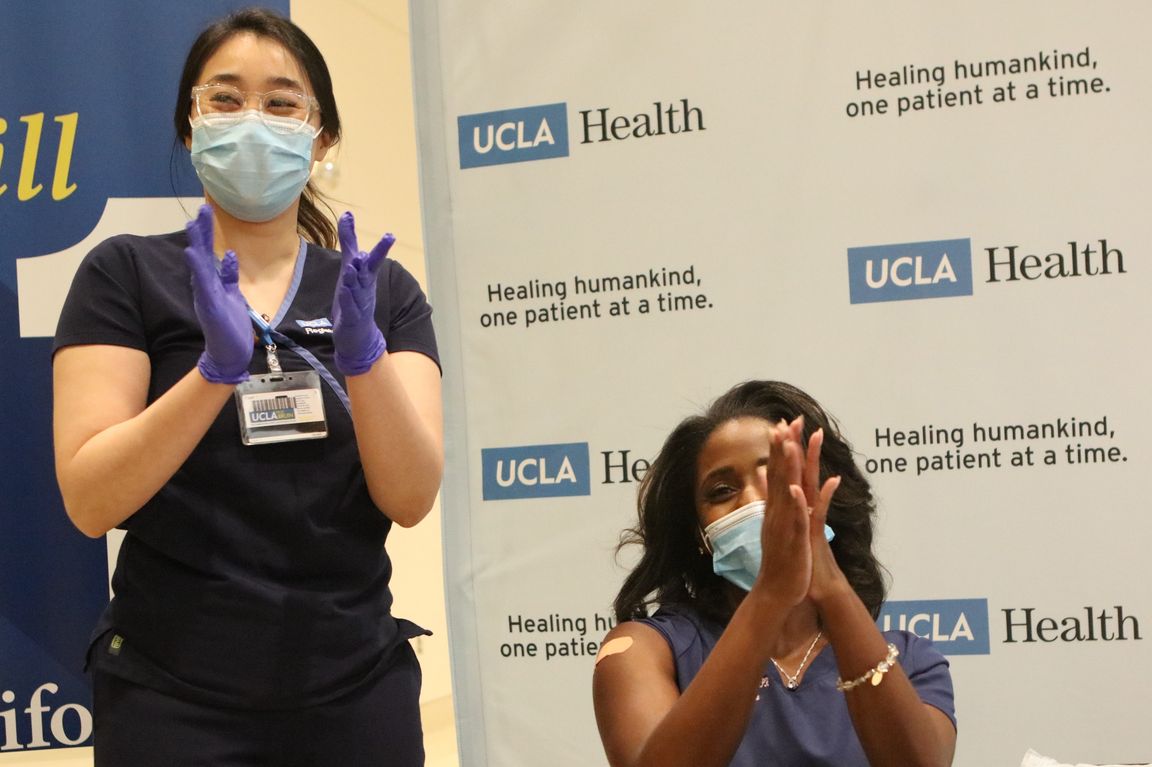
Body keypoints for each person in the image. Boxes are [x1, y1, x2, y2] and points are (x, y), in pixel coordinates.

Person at [51, 8, 442, 766]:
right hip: (172, 694)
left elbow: (411, 496)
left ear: (321, 136)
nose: (252, 120)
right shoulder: (124, 275)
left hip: (353, 687)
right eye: (225, 99)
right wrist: (210, 375)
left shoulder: (378, 288)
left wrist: (364, 361)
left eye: (281, 102)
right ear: (191, 126)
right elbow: (90, 500)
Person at [592, 381, 956, 767]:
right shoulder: (647, 651)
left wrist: (829, 586)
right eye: (722, 491)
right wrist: (771, 595)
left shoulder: (910, 659)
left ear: (826, 497)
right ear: (699, 534)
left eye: (779, 480)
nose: (755, 501)